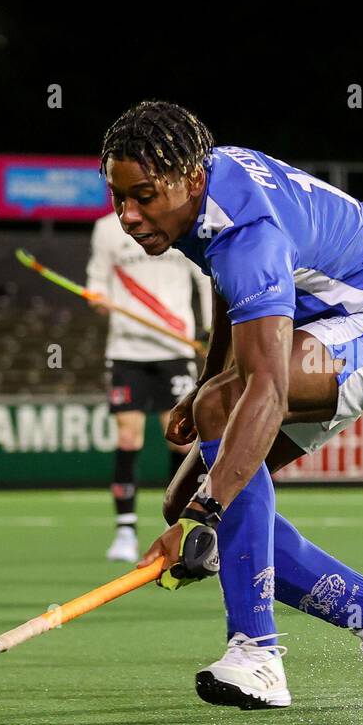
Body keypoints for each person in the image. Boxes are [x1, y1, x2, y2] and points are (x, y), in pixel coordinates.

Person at [100, 101, 363, 719]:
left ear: (190, 179)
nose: (128, 216)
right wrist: (205, 385)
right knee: (182, 501)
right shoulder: (205, 188)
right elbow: (231, 290)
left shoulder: (247, 234)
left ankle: (257, 652)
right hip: (323, 326)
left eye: (143, 197)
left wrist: (207, 512)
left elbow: (267, 389)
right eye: (119, 197)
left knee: (213, 477)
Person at [86, 210, 211, 565]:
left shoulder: (177, 220)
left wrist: (210, 328)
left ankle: (179, 523)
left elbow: (205, 279)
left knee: (180, 441)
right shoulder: (106, 229)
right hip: (126, 352)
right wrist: (97, 298)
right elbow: (96, 281)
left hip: (175, 349)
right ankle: (125, 530)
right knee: (128, 438)